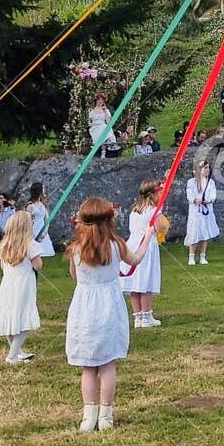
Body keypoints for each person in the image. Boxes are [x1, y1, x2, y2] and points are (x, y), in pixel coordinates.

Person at [66, 197, 153, 433]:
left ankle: (88, 417)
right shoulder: (117, 245)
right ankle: (106, 416)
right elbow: (136, 259)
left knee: (88, 366)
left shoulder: (75, 248)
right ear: (109, 220)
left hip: (84, 308)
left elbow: (75, 275)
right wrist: (147, 236)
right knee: (107, 364)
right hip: (109, 306)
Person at [0, 210, 43, 364]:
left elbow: (2, 267)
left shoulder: (4, 246)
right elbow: (38, 266)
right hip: (24, 285)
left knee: (10, 315)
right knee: (25, 318)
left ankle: (17, 351)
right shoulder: (30, 245)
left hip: (8, 284)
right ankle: (12, 356)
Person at [121, 180, 168, 329]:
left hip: (132, 245)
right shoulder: (154, 211)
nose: (161, 195)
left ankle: (138, 317)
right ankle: (146, 316)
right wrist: (160, 214)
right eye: (160, 193)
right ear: (153, 194)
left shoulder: (135, 210)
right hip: (146, 246)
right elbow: (161, 228)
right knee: (145, 281)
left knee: (135, 282)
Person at [185, 161, 219, 266]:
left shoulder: (211, 182)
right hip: (195, 212)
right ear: (199, 170)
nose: (208, 170)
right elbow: (189, 195)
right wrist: (195, 200)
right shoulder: (191, 182)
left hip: (206, 211)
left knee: (205, 233)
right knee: (194, 233)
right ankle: (191, 257)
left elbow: (213, 195)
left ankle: (202, 256)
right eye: (205, 168)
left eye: (208, 168)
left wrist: (209, 200)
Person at [27, 182, 55, 260]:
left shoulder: (43, 204)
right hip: (33, 231)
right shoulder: (30, 206)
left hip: (42, 230)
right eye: (42, 189)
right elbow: (27, 221)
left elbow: (47, 219)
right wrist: (32, 234)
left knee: (48, 253)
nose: (44, 190)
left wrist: (45, 232)